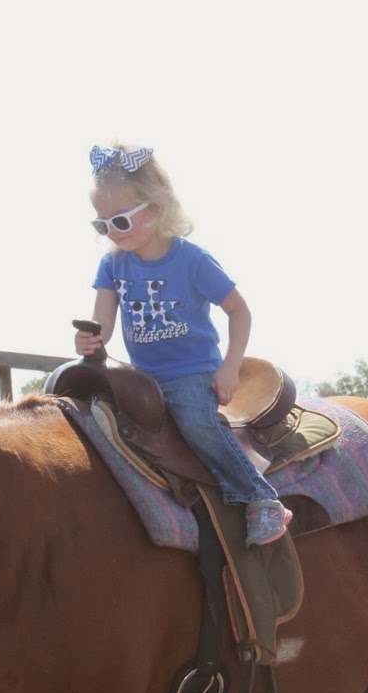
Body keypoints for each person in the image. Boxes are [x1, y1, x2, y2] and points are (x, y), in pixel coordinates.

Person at [75, 145, 290, 546]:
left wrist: (229, 368)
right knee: (86, 415)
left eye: (120, 220)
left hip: (189, 374)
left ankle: (260, 498)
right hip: (141, 376)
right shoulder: (112, 265)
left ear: (155, 209)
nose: (112, 232)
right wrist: (91, 339)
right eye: (102, 225)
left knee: (195, 422)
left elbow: (239, 311)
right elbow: (103, 319)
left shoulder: (192, 261)